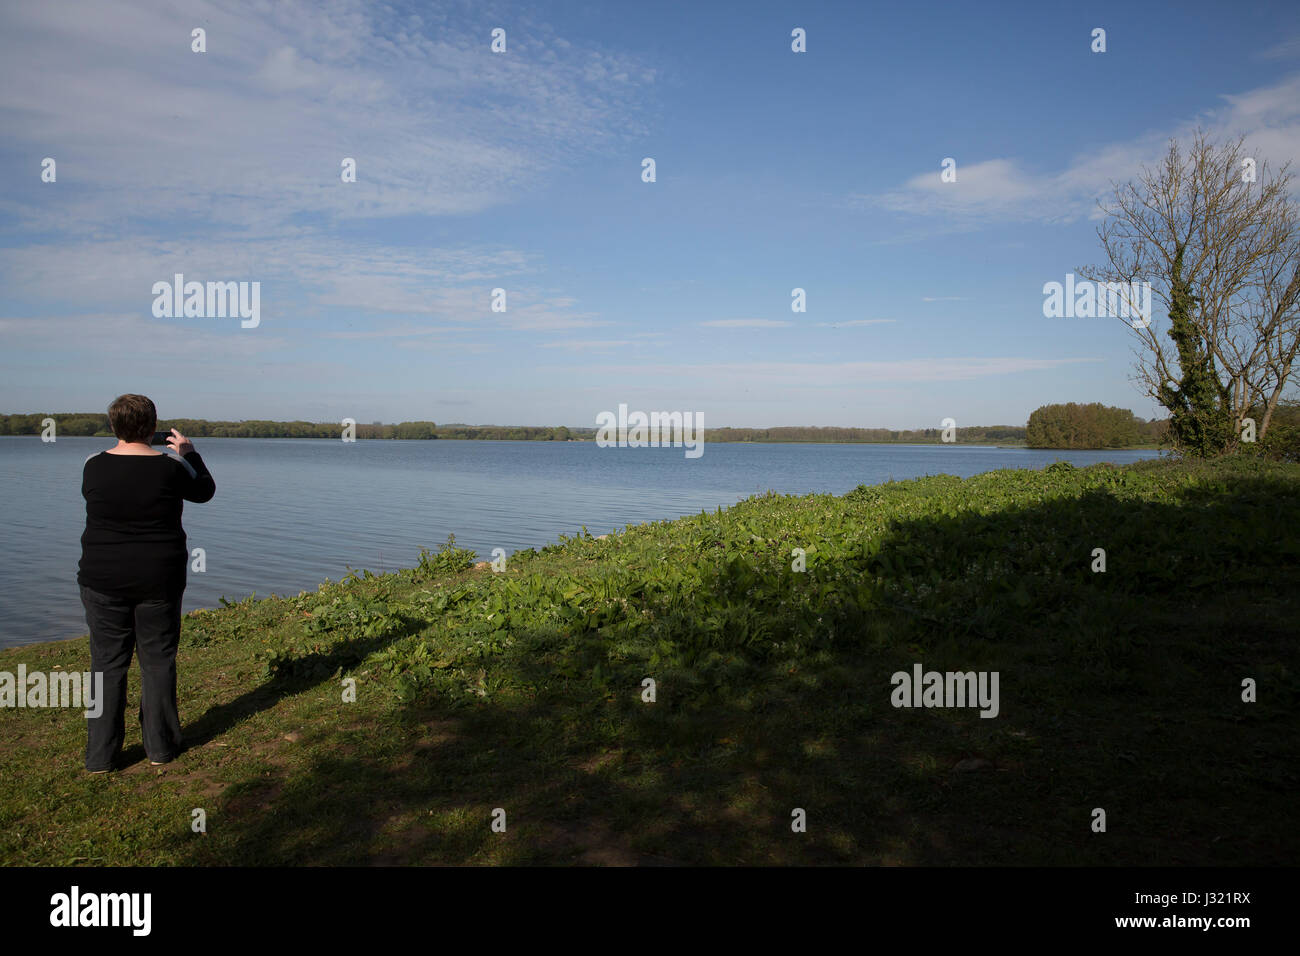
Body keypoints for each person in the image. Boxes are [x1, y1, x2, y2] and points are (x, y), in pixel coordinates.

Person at [77, 394, 216, 773]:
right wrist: (189, 453)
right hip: (159, 578)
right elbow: (205, 490)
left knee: (106, 664)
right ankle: (161, 748)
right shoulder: (172, 468)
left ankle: (101, 756)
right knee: (157, 660)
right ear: (154, 428)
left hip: (101, 579)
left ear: (113, 427)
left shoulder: (93, 466)